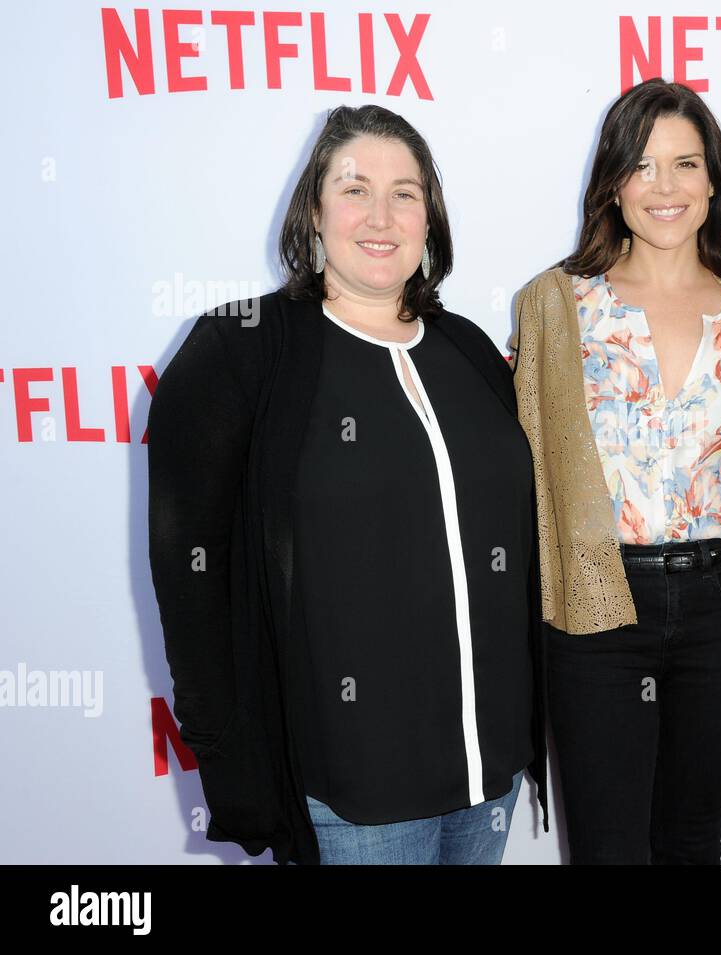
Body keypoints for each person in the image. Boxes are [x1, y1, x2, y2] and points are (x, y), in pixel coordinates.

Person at [147, 104, 547, 864]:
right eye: (355, 188)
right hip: (352, 788)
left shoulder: (467, 349)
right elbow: (188, 571)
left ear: (430, 217)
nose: (382, 214)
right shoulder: (240, 349)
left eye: (406, 192)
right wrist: (226, 750)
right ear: (315, 209)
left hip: (491, 773)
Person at [508, 78, 721, 863]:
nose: (665, 188)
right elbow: (530, 475)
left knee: (692, 839)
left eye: (686, 165)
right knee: (607, 848)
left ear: (714, 181)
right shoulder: (556, 303)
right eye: (642, 166)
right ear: (612, 181)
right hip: (598, 606)